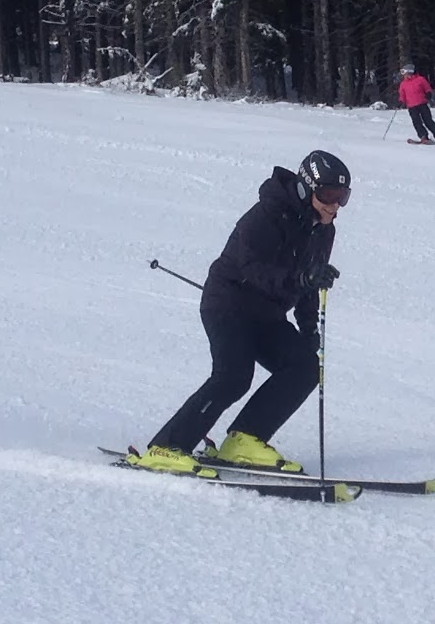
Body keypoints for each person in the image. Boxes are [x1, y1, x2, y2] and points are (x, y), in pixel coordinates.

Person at [127, 151, 352, 478]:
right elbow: (253, 269)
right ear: (305, 189)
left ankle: (245, 439)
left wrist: (309, 331)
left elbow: (308, 284)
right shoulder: (266, 215)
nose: (334, 205)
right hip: (228, 304)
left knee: (304, 366)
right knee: (233, 377)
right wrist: (300, 279)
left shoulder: (323, 230)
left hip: (267, 315)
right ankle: (167, 446)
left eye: (342, 197)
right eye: (327, 195)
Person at [398, 63, 435, 144]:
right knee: (416, 122)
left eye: (405, 74)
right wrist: (401, 101)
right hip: (411, 106)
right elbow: (402, 94)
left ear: (410, 72)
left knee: (428, 120)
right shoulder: (403, 84)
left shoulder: (420, 79)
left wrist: (428, 93)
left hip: (422, 103)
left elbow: (427, 88)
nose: (404, 76)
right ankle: (423, 136)